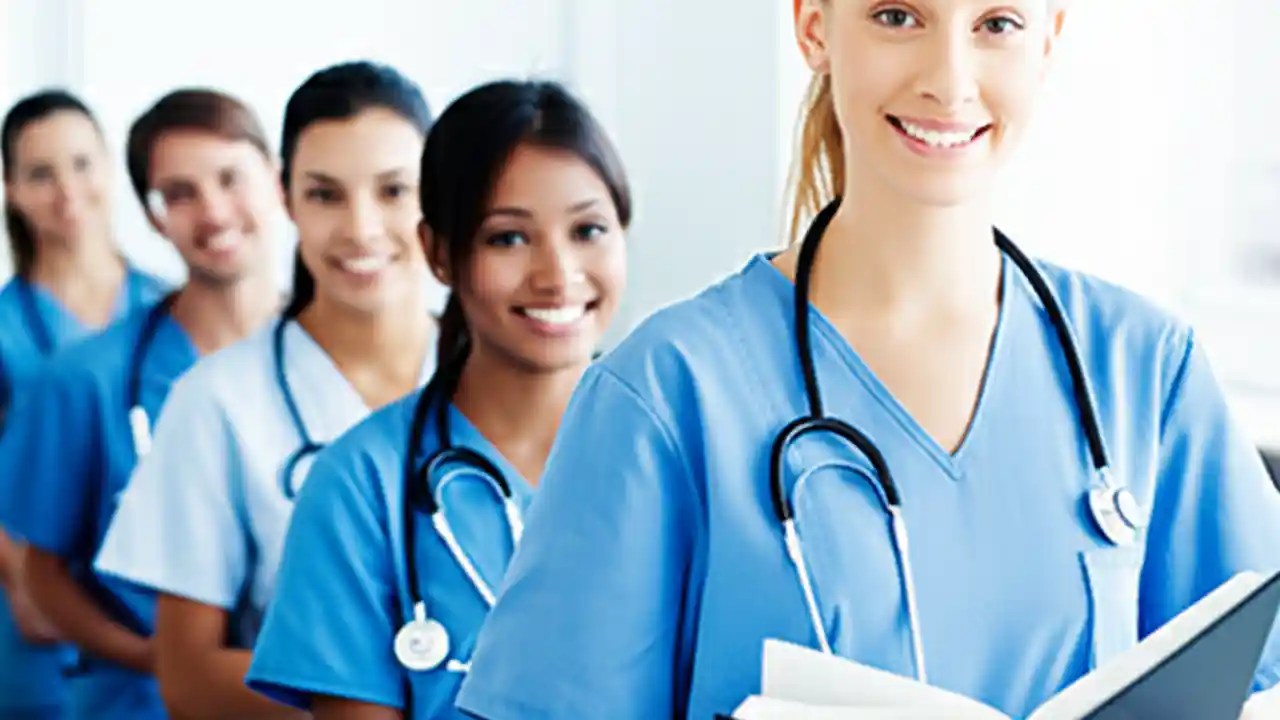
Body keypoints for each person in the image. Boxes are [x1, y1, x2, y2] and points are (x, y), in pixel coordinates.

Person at [455, 1, 1280, 718]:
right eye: (896, 17)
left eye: (997, 24)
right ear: (814, 27)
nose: (949, 79)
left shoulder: (1144, 370)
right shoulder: (667, 396)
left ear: (1048, 42)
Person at [245, 79, 631, 720]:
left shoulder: (680, 459)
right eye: (507, 238)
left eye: (588, 229)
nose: (557, 274)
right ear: (438, 252)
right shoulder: (362, 485)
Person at [93, 60, 437, 720]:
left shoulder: (500, 377)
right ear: (285, 197)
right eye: (325, 194)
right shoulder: (216, 401)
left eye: (394, 190)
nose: (362, 228)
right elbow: (188, 677)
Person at [0, 88, 285, 720]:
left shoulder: (332, 360)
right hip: (136, 699)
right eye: (180, 193)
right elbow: (39, 569)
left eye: (230, 178)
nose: (212, 211)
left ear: (278, 181)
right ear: (154, 214)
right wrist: (160, 657)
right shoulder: (86, 377)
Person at [0, 89, 168, 720]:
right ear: (11, 190)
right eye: (41, 174)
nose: (67, 191)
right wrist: (24, 579)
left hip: (154, 600)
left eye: (81, 164)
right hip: (31, 615)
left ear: (109, 168)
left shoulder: (171, 309)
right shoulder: (8, 326)